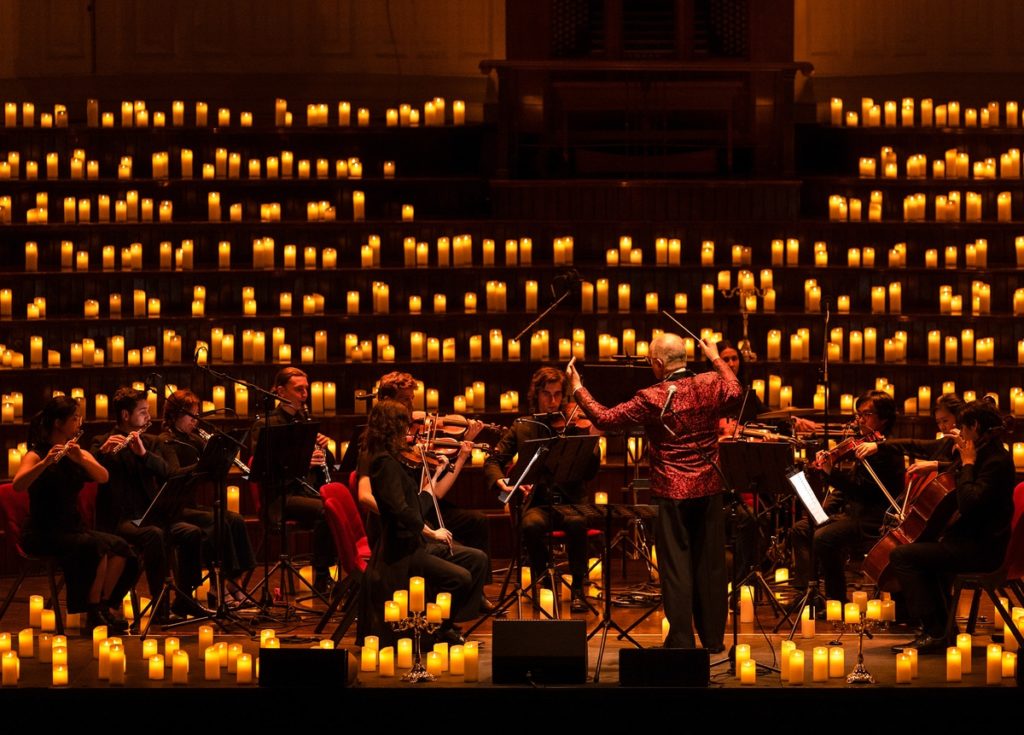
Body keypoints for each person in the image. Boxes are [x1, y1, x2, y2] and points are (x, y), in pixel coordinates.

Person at [567, 333, 741, 650]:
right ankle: (714, 640)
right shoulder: (711, 382)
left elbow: (605, 419)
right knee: (711, 566)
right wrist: (715, 357)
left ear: (658, 363)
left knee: (676, 568)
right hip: (709, 487)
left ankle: (682, 640)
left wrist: (578, 388)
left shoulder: (653, 396)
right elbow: (736, 389)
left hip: (671, 492)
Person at [890, 398, 1016, 653]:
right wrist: (955, 463)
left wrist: (967, 463)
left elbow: (970, 503)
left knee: (902, 556)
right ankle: (943, 630)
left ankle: (936, 632)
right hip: (970, 542)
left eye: (964, 427)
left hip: (983, 550)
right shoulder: (987, 453)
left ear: (976, 425)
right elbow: (960, 478)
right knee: (924, 551)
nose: (960, 433)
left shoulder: (995, 461)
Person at [363, 399, 488, 645]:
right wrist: (431, 533)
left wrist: (439, 473)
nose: (410, 432)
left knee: (477, 559)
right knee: (460, 577)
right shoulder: (383, 463)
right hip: (400, 551)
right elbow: (400, 510)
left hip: (414, 543)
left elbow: (419, 505)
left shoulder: (394, 459)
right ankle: (437, 629)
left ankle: (445, 624)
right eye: (405, 425)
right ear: (392, 426)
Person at [484, 366, 600, 613]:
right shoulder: (523, 426)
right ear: (536, 395)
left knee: (577, 522)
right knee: (530, 525)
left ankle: (579, 587)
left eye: (558, 394)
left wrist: (592, 443)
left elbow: (589, 473)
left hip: (571, 502)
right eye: (547, 394)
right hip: (539, 503)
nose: (553, 401)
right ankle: (545, 582)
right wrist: (501, 481)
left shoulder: (574, 423)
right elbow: (494, 460)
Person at [13, 396, 132, 633]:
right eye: (75, 418)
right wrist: (46, 463)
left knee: (121, 548)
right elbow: (18, 484)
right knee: (93, 547)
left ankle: (101, 607)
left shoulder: (75, 451)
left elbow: (103, 477)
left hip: (71, 527)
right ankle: (92, 611)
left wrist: (81, 459)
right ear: (58, 423)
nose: (79, 422)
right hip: (42, 531)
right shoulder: (36, 454)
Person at [92, 387, 204, 621]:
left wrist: (143, 455)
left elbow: (168, 474)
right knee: (153, 535)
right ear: (125, 415)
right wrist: (103, 454)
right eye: (143, 411)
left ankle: (185, 599)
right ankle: (160, 608)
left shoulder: (151, 443)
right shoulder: (100, 442)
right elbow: (91, 475)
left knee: (191, 532)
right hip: (119, 520)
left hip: (150, 515)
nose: (148, 417)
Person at [790, 390, 905, 603]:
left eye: (866, 415)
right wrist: (825, 509)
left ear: (884, 418)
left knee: (825, 537)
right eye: (858, 414)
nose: (859, 420)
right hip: (852, 514)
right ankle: (809, 593)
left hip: (873, 520)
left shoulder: (886, 450)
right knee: (801, 529)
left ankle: (836, 599)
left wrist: (830, 473)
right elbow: (848, 489)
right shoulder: (865, 444)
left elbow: (862, 491)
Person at [157, 389, 256, 607]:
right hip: (173, 508)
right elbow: (173, 473)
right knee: (218, 522)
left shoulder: (192, 438)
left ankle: (234, 582)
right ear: (174, 416)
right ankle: (217, 588)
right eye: (191, 415)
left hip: (191, 506)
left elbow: (215, 465)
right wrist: (202, 465)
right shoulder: (166, 441)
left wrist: (222, 452)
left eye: (197, 415)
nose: (195, 420)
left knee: (235, 519)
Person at [248, 367, 335, 592]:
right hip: (279, 497)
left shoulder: (304, 420)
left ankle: (329, 572)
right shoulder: (266, 424)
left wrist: (325, 451)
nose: (305, 393)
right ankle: (322, 576)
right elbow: (264, 469)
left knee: (339, 506)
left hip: (305, 492)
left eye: (306, 388)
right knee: (329, 510)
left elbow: (323, 464)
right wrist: (304, 462)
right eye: (298, 389)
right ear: (281, 392)